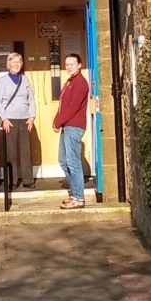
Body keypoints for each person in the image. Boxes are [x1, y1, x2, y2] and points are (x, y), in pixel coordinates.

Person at [0, 52, 36, 189]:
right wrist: (4, 118)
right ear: (8, 64)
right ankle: (12, 181)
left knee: (25, 151)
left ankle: (28, 180)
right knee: (11, 152)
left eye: (19, 62)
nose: (16, 64)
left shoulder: (25, 79)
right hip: (9, 120)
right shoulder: (3, 81)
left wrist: (32, 116)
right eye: (13, 62)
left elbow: (31, 99)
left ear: (22, 64)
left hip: (25, 120)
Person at [52, 51, 92, 208]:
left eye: (72, 64)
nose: (69, 67)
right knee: (63, 160)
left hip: (74, 126)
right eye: (67, 64)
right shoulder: (69, 81)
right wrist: (57, 120)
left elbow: (73, 107)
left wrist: (59, 122)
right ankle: (75, 192)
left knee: (73, 162)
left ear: (79, 65)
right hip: (66, 126)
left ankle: (79, 198)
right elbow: (63, 106)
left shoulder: (80, 83)